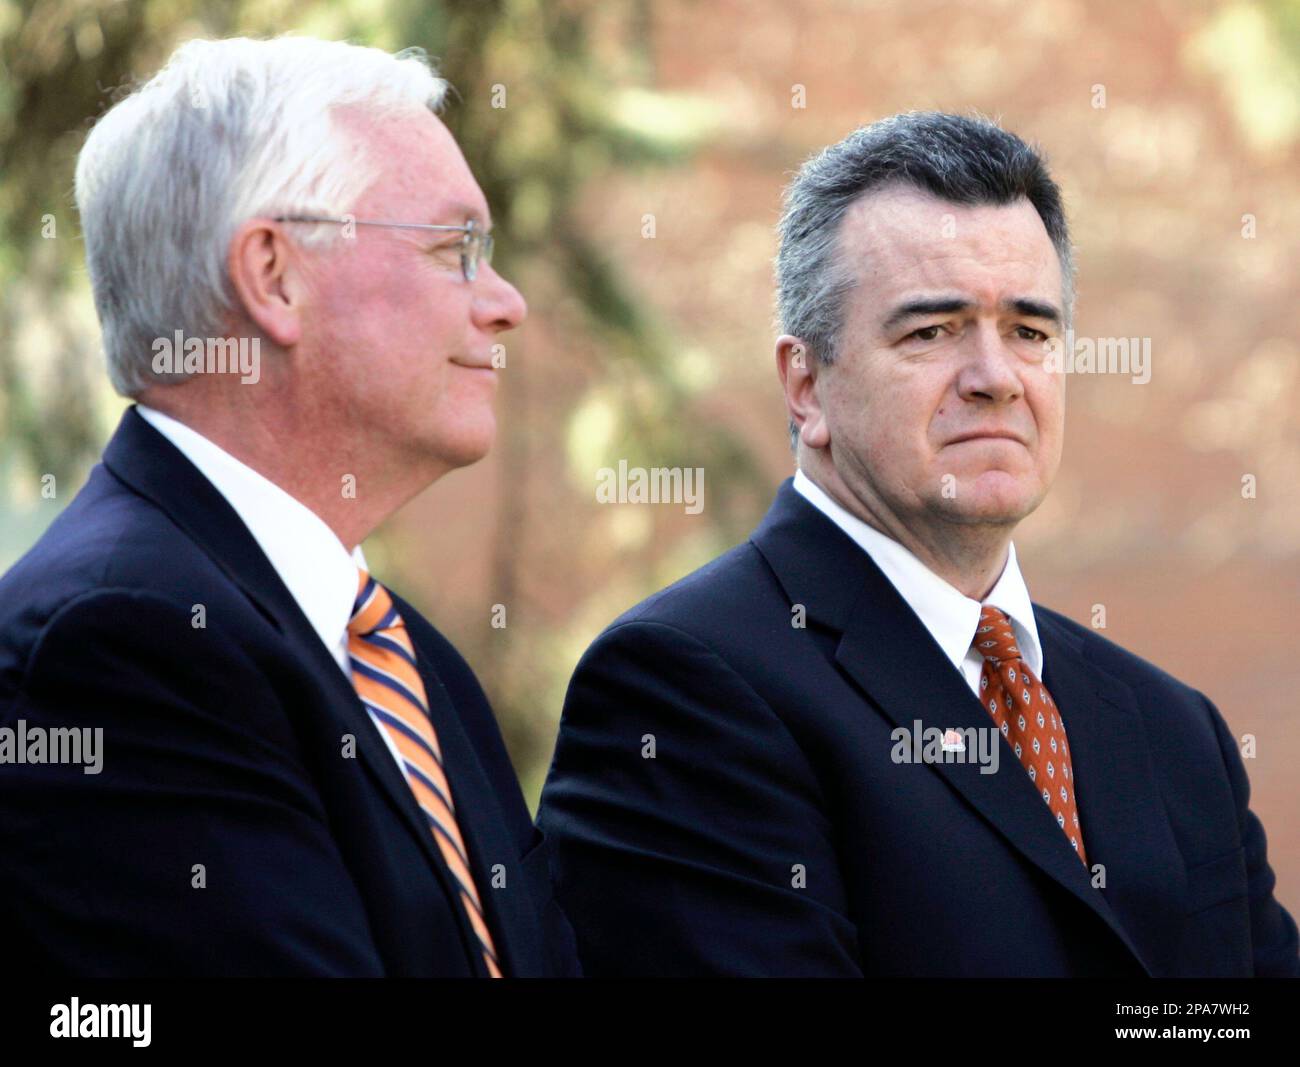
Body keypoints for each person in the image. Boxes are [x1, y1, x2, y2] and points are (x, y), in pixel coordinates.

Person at [537, 111, 1300, 977]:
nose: (996, 376)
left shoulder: (1174, 728)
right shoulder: (683, 689)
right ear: (806, 385)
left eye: (1031, 331)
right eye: (931, 331)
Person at [0, 35, 578, 977]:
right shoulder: (116, 644)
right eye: (455, 248)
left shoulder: (411, 657)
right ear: (273, 274)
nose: (506, 303)